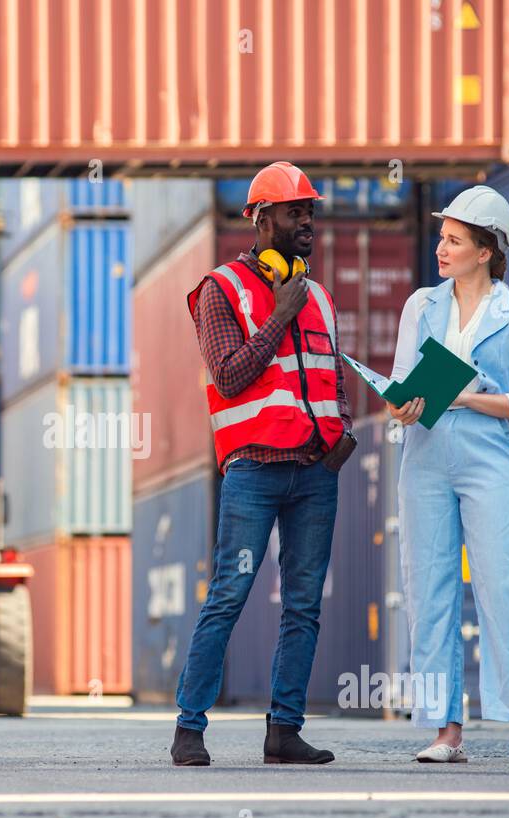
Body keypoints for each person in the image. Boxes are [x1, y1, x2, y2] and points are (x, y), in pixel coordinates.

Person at [171, 161, 357, 767]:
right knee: (229, 593)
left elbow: (333, 381)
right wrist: (279, 313)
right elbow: (228, 377)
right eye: (294, 211)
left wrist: (341, 436)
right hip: (253, 470)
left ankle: (284, 731)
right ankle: (189, 729)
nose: (307, 221)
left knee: (304, 604)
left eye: (310, 211)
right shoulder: (220, 291)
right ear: (260, 219)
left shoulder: (321, 298)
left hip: (313, 474)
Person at [387, 185, 509, 764]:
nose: (441, 247)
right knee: (428, 592)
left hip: (487, 459)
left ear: (485, 251)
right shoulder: (419, 307)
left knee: (503, 588)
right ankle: (444, 731)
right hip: (424, 459)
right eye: (441, 237)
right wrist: (400, 403)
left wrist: (467, 399)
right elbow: (403, 381)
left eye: (453, 240)